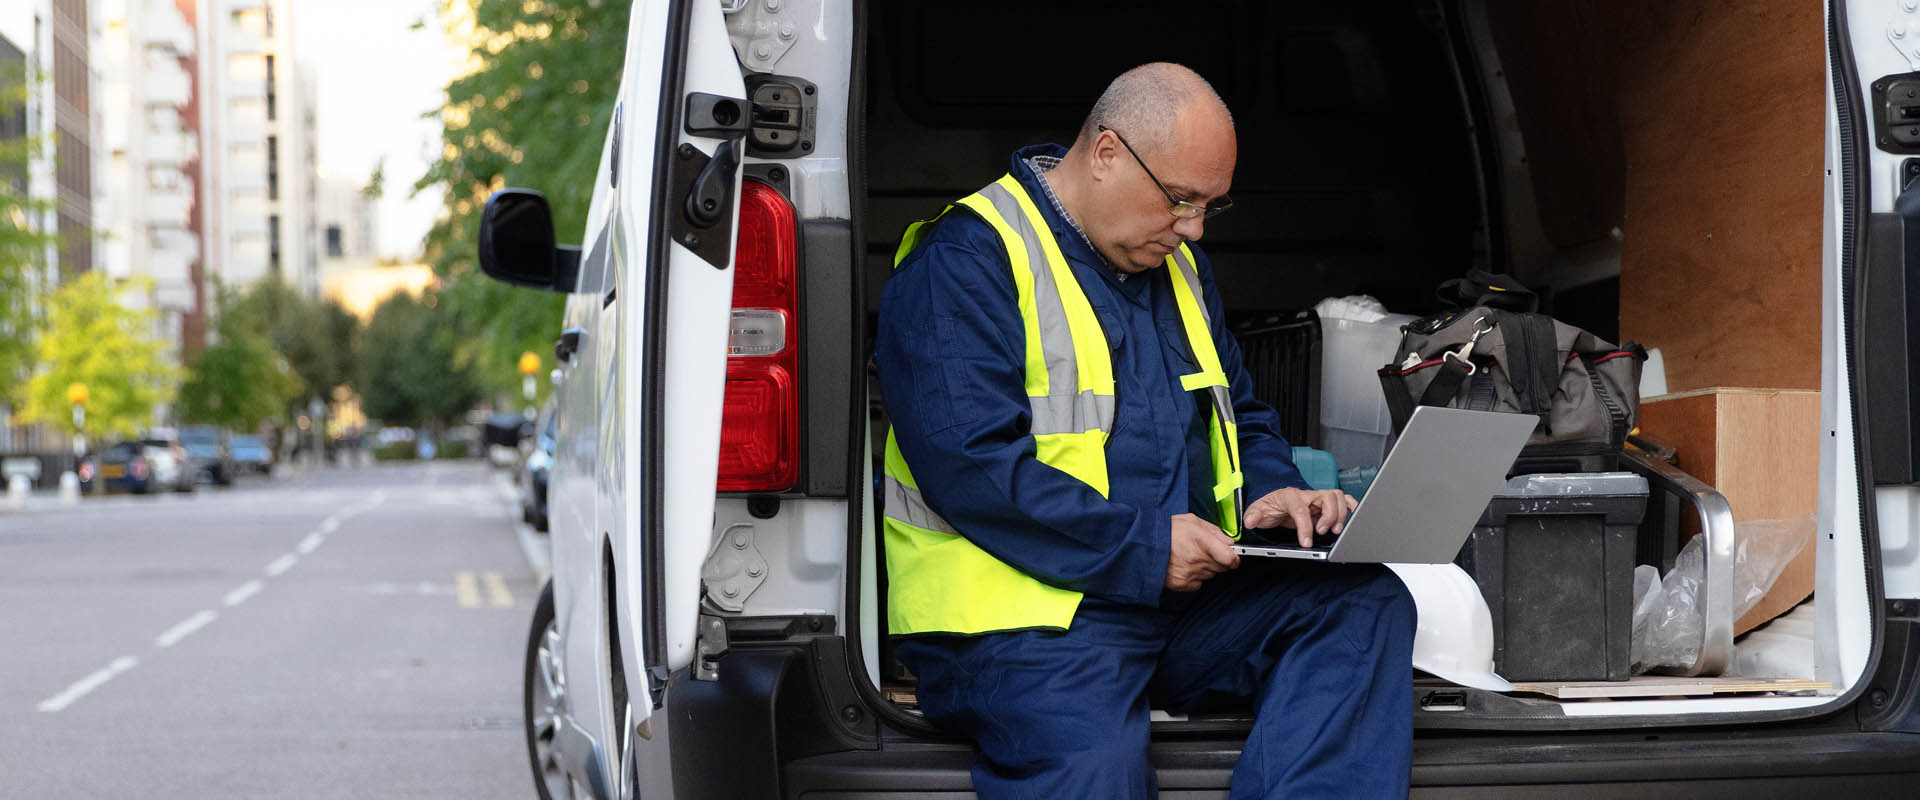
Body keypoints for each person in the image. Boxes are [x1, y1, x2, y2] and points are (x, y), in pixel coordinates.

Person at [873, 63, 1417, 799]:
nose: (1192, 227)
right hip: (1024, 625)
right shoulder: (967, 261)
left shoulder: (1179, 265)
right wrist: (1145, 548)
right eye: (1181, 200)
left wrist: (1275, 491)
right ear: (1105, 154)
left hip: (1168, 605)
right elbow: (971, 469)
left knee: (1361, 603)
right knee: (1095, 770)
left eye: (1210, 208)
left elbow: (1241, 414)